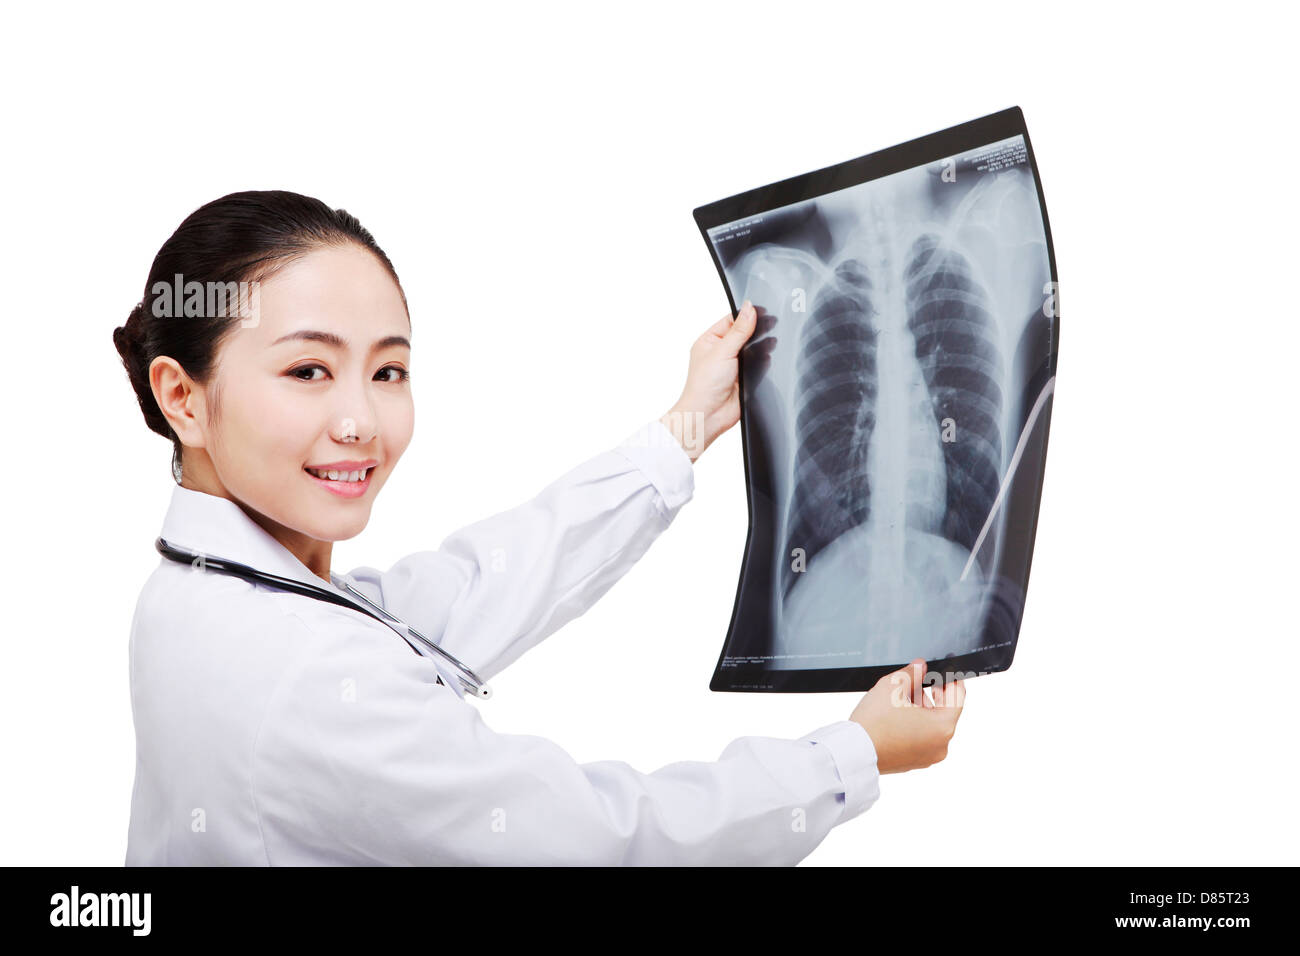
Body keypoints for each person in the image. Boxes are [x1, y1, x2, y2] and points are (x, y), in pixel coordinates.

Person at [113, 190, 965, 866]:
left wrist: (687, 427)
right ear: (182, 396)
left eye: (388, 370)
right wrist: (851, 759)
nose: (360, 421)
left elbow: (477, 584)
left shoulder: (199, 593)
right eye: (308, 369)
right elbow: (602, 841)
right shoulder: (304, 673)